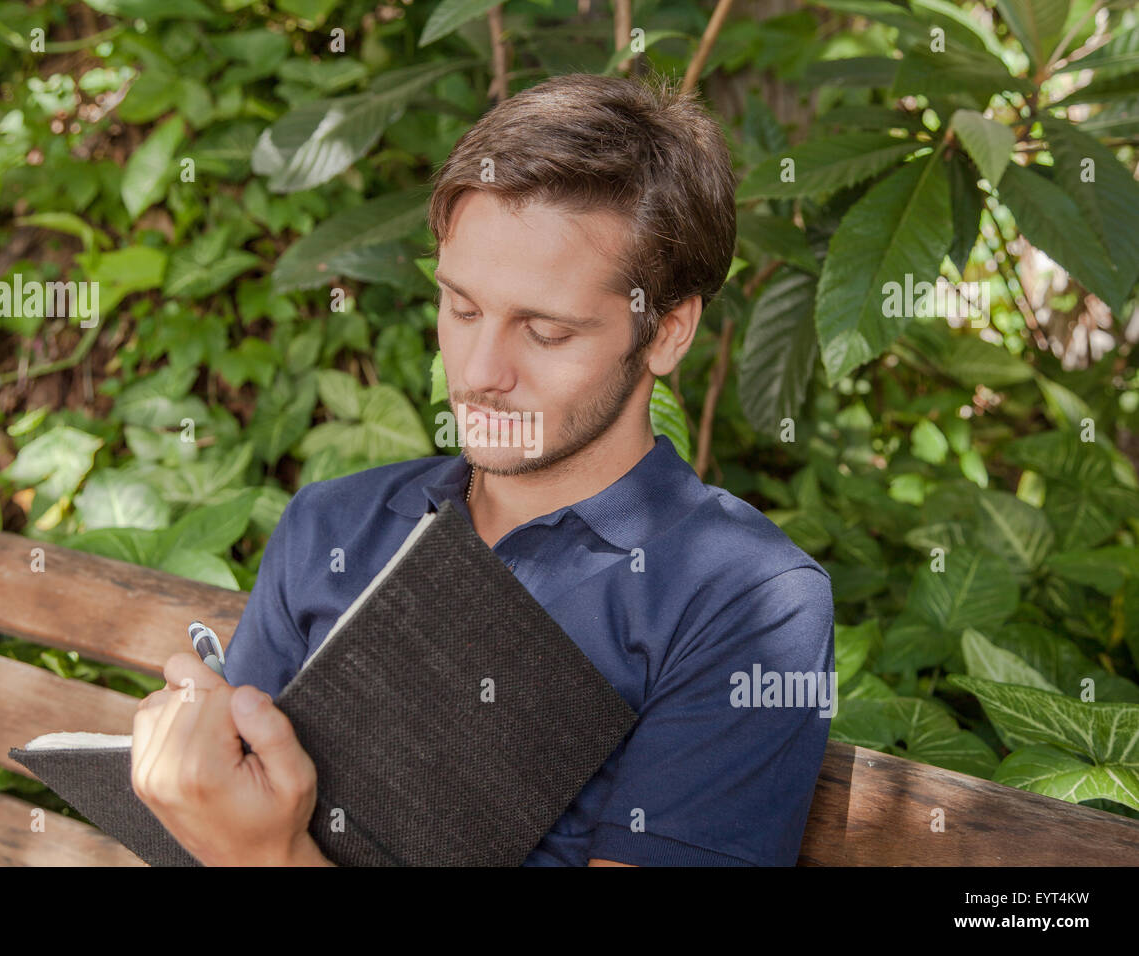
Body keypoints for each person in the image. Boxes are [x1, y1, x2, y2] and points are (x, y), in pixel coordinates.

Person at [131, 72, 835, 867]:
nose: (479, 371)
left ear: (667, 332)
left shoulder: (744, 600)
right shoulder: (333, 525)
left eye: (545, 331)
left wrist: (269, 858)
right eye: (461, 309)